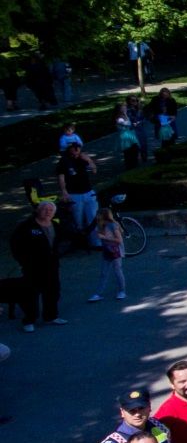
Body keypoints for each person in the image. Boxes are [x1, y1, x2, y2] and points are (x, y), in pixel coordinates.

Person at [11, 201, 62, 332]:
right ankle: (29, 320)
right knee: (31, 294)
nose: (48, 212)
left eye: (51, 210)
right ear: (38, 210)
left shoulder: (56, 225)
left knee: (53, 292)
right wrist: (23, 261)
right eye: (45, 209)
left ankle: (51, 317)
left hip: (52, 266)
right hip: (32, 267)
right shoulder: (26, 226)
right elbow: (15, 245)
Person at [86, 206, 128, 303]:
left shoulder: (112, 225)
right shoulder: (100, 225)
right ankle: (98, 293)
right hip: (107, 250)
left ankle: (122, 291)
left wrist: (104, 237)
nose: (96, 216)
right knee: (104, 273)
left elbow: (119, 240)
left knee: (117, 271)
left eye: (98, 215)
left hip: (115, 250)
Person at [57, 140, 99, 237]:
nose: (76, 150)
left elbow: (94, 171)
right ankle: (81, 239)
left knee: (93, 218)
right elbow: (61, 177)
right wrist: (64, 191)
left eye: (78, 148)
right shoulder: (64, 161)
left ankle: (95, 241)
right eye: (74, 148)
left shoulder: (83, 158)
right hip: (74, 194)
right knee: (78, 220)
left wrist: (89, 160)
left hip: (88, 192)